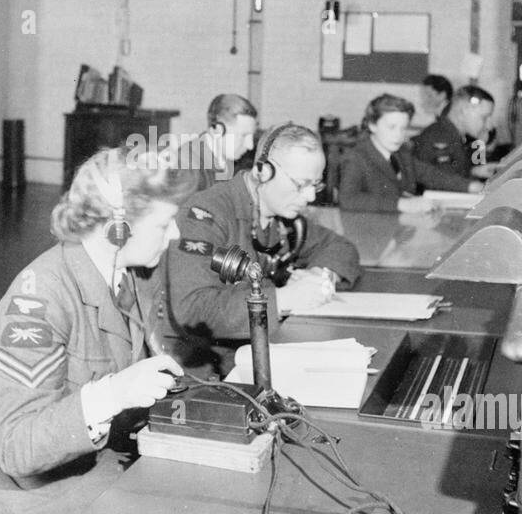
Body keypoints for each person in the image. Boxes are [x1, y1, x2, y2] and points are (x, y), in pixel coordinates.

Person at [0, 147, 195, 514]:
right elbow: (16, 447)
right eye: (164, 224)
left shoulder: (129, 275)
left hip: (96, 473)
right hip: (29, 508)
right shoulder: (38, 300)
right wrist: (112, 394)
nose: (175, 233)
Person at [167, 123, 361, 375]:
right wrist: (285, 299)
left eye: (316, 184)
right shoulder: (208, 214)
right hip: (203, 371)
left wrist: (320, 276)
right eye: (301, 184)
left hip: (256, 352)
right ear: (262, 171)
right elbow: (193, 309)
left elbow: (340, 247)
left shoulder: (282, 215)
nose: (311, 196)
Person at [337, 95, 437, 214]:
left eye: (403, 128)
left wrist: (465, 186)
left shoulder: (401, 152)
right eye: (391, 127)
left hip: (399, 226)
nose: (398, 135)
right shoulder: (356, 157)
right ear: (372, 125)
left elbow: (429, 174)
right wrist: (400, 204)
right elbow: (347, 199)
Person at [411, 84, 497, 193]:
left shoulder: (454, 135)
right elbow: (441, 182)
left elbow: (451, 173)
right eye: (484, 117)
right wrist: (474, 186)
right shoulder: (439, 137)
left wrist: (474, 171)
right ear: (465, 110)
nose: (489, 126)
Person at [177, 93, 258, 192]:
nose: (250, 146)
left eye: (251, 136)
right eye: (243, 136)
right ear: (218, 130)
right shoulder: (187, 167)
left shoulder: (233, 160)